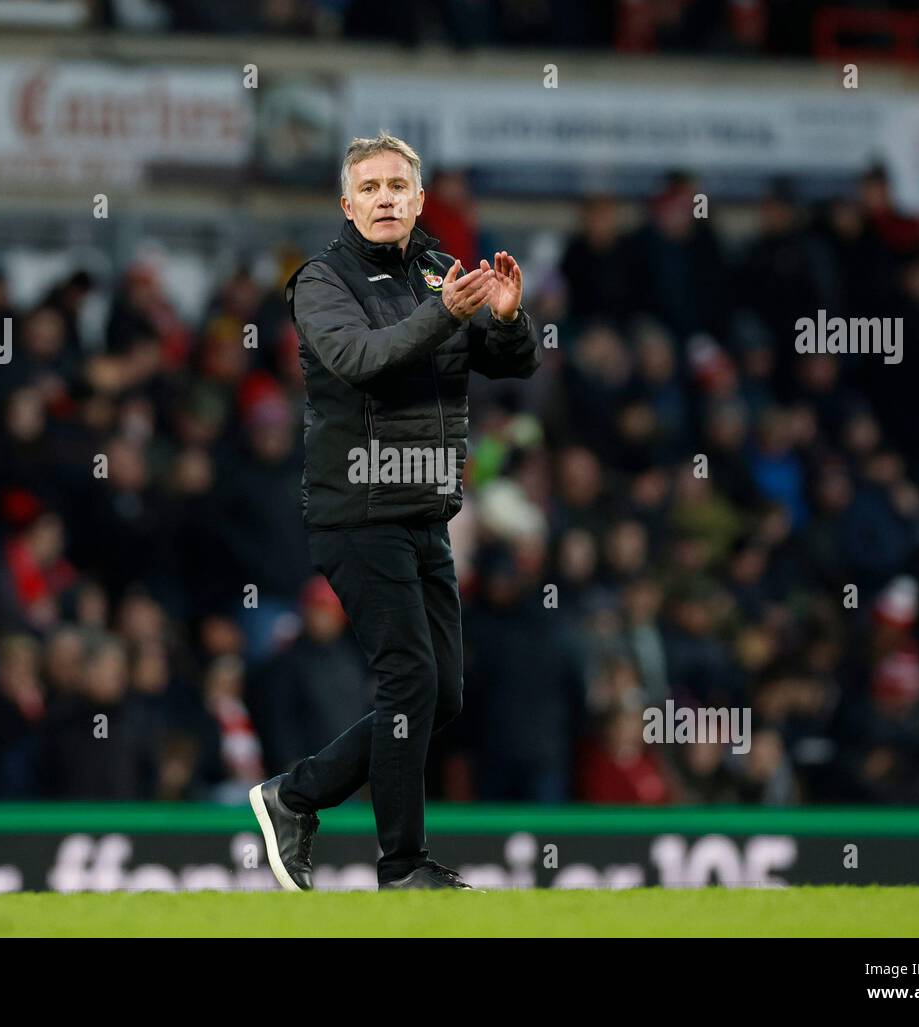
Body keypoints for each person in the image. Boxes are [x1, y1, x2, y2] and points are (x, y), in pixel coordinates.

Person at [248, 132, 541, 890]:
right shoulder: (319, 282)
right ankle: (402, 864)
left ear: (417, 201)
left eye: (396, 187)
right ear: (349, 205)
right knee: (409, 677)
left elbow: (510, 365)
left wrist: (507, 319)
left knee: (442, 691)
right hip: (355, 507)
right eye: (369, 188)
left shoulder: (443, 271)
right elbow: (362, 360)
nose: (384, 199)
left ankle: (296, 795)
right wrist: (445, 312)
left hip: (426, 509)